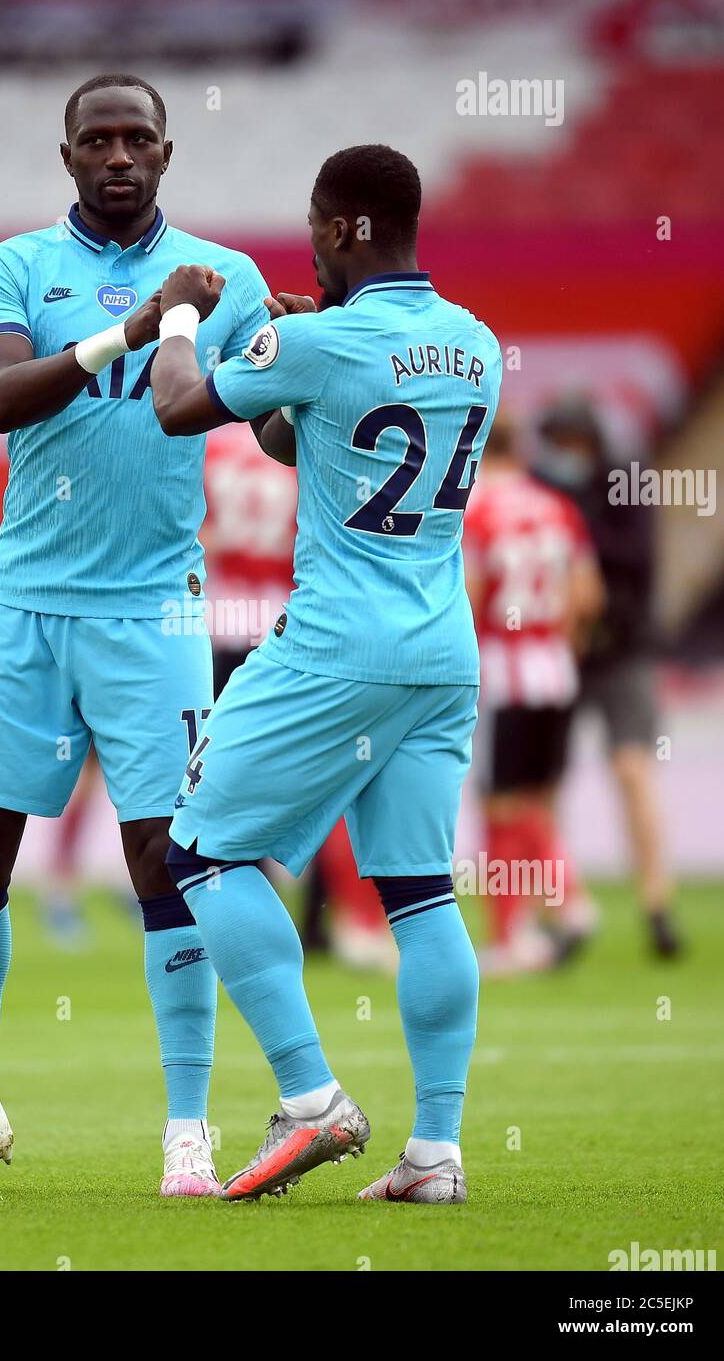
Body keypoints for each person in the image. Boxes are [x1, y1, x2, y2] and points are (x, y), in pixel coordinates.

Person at [0, 74, 273, 1198]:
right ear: (65, 157)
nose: (117, 155)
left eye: (136, 138)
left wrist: (292, 354)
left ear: (167, 153)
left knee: (164, 860)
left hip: (154, 607)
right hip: (22, 601)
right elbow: (1, 397)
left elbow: (276, 403)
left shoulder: (231, 279)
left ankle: (186, 1131)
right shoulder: (8, 268)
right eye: (95, 139)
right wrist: (136, 327)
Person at [150, 144, 502, 1203]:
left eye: (316, 227)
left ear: (342, 229)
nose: (308, 243)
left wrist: (177, 313)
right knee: (418, 892)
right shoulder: (475, 342)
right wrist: (295, 358)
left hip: (334, 648)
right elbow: (305, 438)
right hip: (441, 651)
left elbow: (177, 406)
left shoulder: (318, 339)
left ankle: (310, 1100)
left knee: (198, 852)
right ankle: (433, 1152)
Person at [535, 398, 682, 958]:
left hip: (624, 652)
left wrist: (576, 528)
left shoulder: (628, 482)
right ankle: (559, 912)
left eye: (575, 440)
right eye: (559, 440)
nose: (566, 452)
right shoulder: (540, 487)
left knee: (632, 770)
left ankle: (657, 905)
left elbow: (637, 559)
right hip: (560, 650)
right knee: (543, 785)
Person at [463, 412, 604, 976]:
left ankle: (531, 924)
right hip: (555, 672)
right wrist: (559, 642)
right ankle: (559, 907)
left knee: (500, 805)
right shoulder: (557, 508)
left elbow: (470, 599)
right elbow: (588, 596)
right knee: (536, 801)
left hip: (503, 675)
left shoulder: (475, 511)